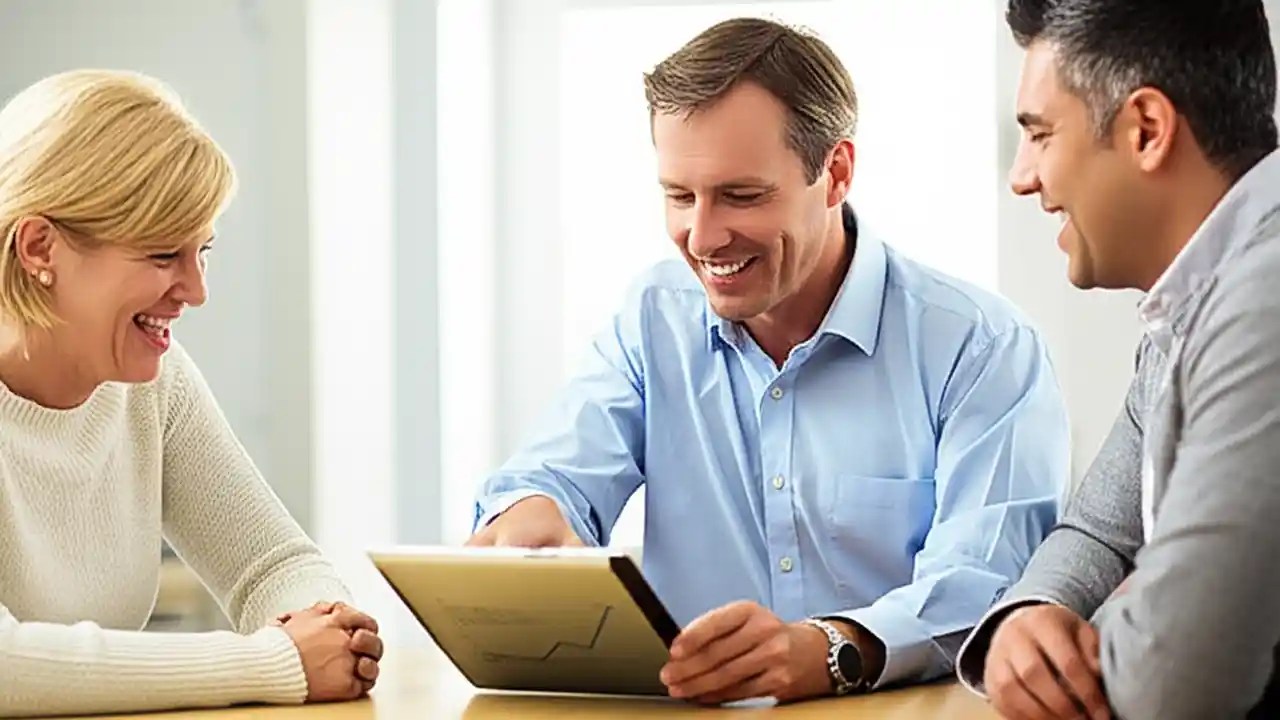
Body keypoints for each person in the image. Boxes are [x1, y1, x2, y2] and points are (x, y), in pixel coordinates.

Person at [468, 17, 1070, 705]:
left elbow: (985, 580)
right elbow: (550, 475)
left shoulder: (982, 348)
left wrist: (829, 648)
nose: (702, 236)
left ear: (836, 172)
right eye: (679, 195)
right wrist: (532, 511)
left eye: (741, 196)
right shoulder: (653, 319)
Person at [0, 69, 383, 717]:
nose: (196, 290)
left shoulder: (155, 382)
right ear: (41, 247)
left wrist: (330, 625)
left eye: (202, 250)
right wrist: (277, 661)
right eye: (161, 256)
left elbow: (271, 563)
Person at [956, 1, 1280, 719]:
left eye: (1040, 135)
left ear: (1146, 130)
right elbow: (1098, 531)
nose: (1022, 177)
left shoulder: (1265, 301)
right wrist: (1029, 622)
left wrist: (1103, 632)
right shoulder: (1191, 306)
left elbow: (1178, 679)